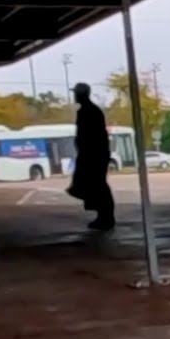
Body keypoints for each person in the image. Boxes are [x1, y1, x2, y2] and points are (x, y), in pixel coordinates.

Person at [69, 82, 115, 230]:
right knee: (96, 184)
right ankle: (104, 215)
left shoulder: (87, 112)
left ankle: (106, 216)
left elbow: (89, 136)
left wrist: (84, 150)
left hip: (93, 155)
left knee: (98, 185)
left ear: (80, 94)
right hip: (94, 154)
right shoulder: (90, 110)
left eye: (76, 93)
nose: (74, 95)